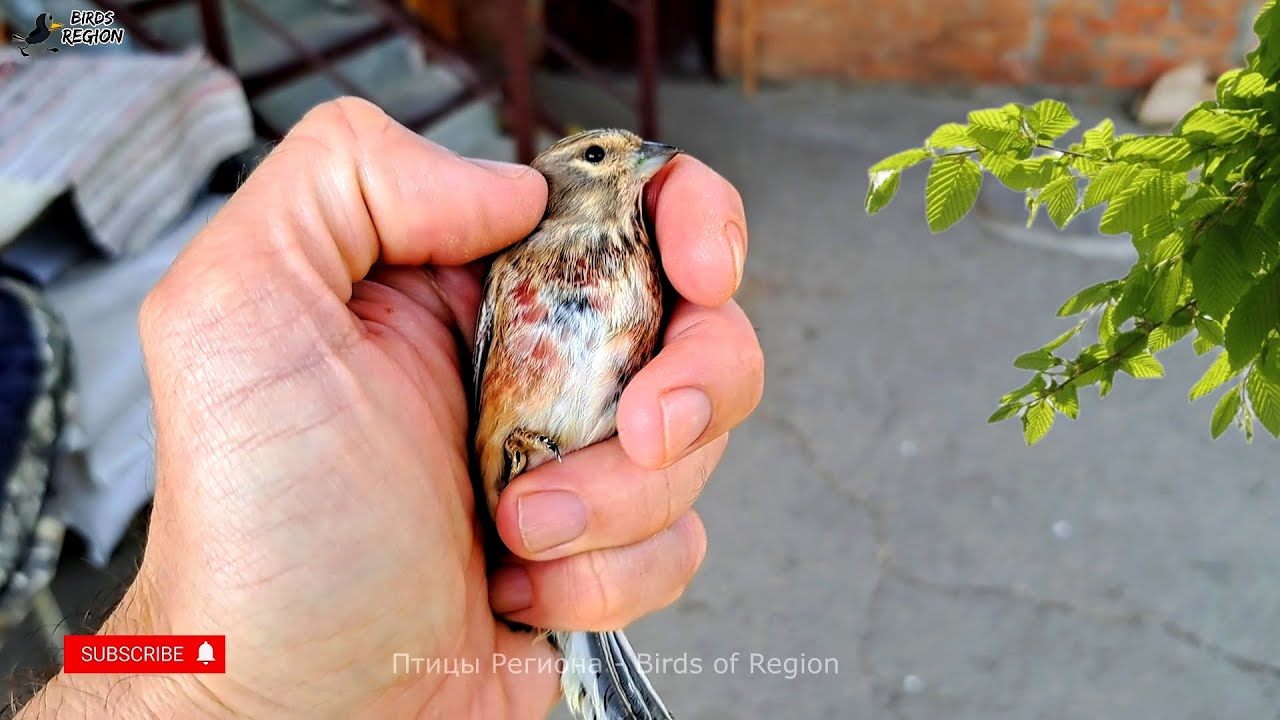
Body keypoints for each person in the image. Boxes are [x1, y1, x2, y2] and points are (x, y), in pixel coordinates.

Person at [14, 98, 763, 719]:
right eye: (598, 156)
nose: (636, 160)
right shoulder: (518, 251)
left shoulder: (639, 258)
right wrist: (195, 690)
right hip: (509, 480)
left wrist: (183, 689)